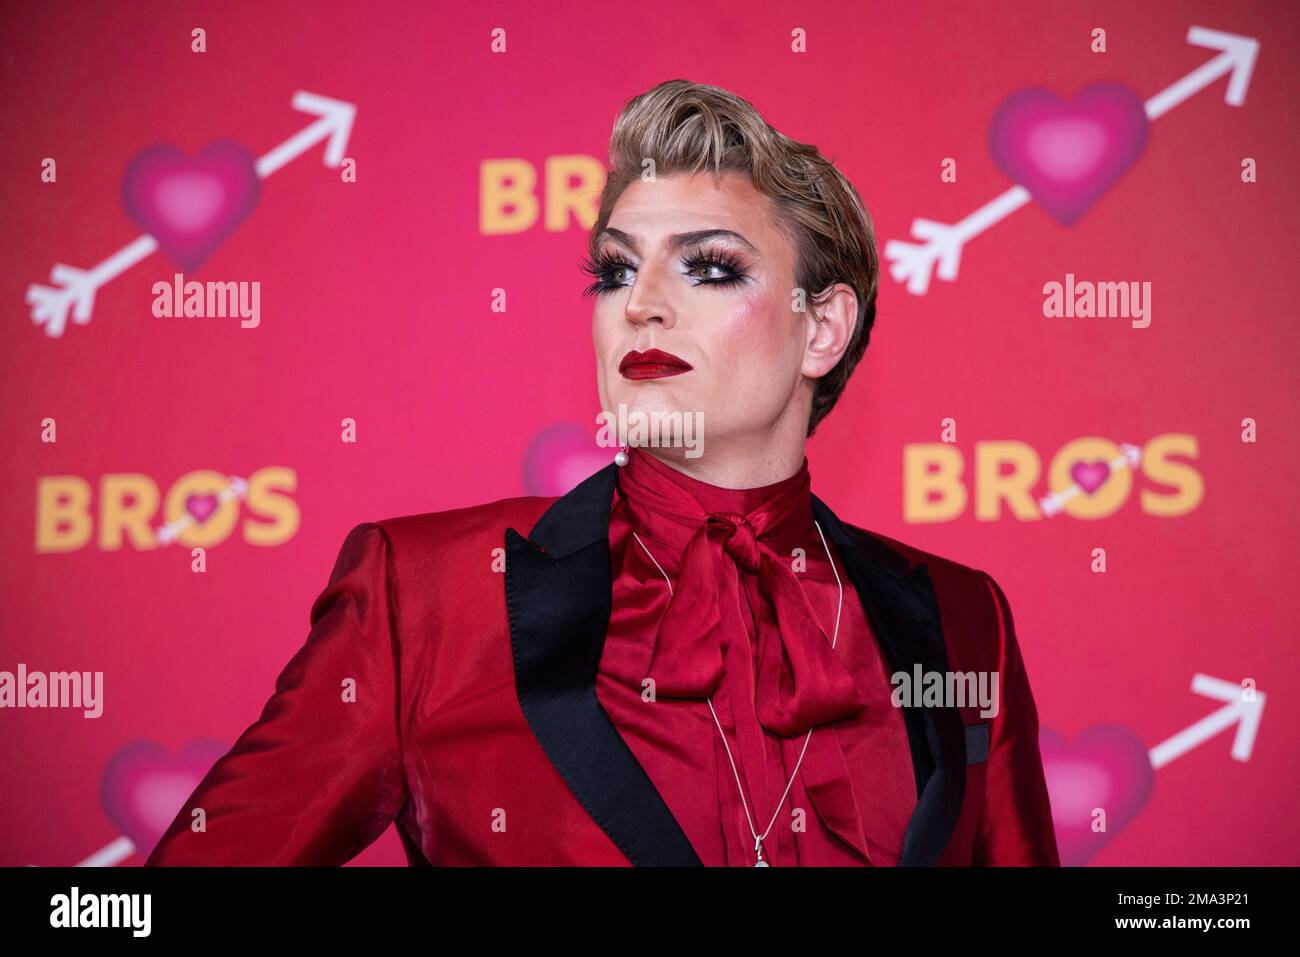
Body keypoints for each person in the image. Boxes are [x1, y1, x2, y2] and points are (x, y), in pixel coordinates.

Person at [147, 79, 1059, 867]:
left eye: (707, 267)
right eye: (616, 270)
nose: (643, 306)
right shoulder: (425, 599)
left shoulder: (962, 616)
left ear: (822, 328)